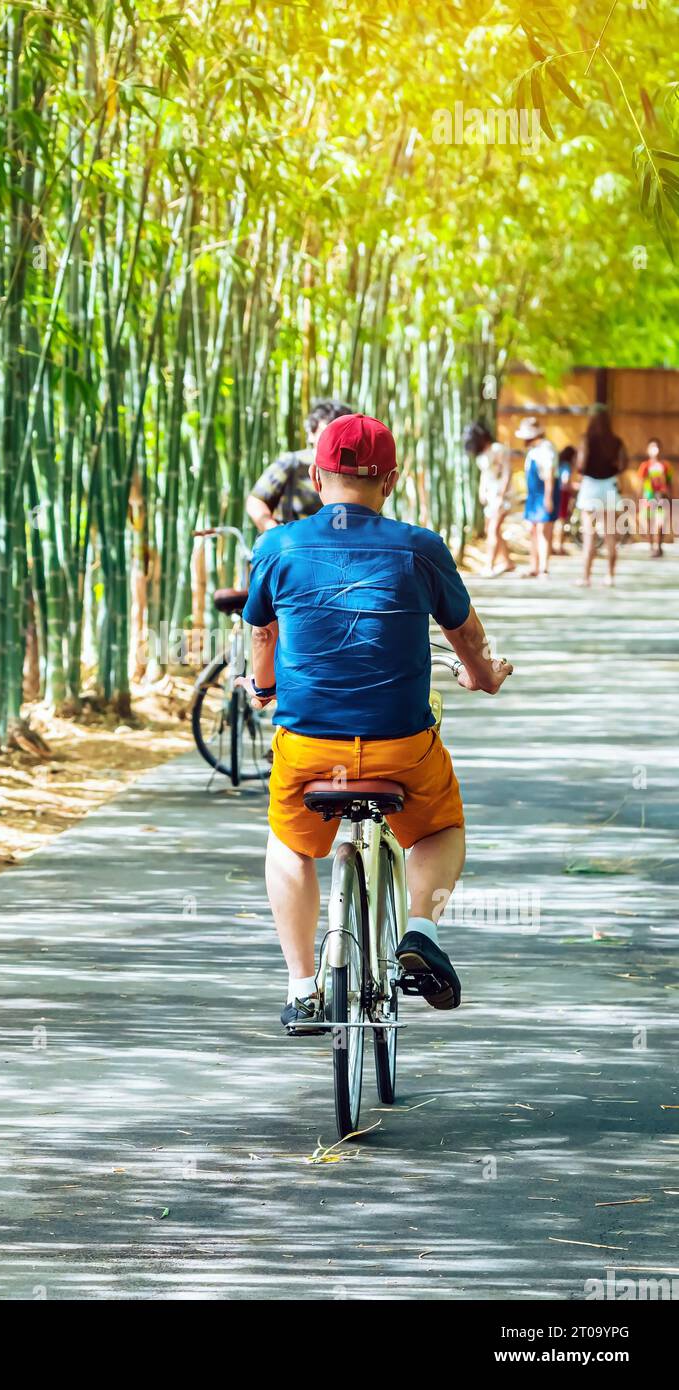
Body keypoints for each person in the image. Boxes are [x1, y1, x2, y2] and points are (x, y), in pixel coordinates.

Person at [238, 414, 512, 1032]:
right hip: (401, 749)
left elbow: (261, 631)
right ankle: (420, 930)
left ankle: (302, 985)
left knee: (287, 846)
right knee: (440, 826)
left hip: (308, 749)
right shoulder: (419, 547)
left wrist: (263, 687)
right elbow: (464, 633)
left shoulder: (277, 546)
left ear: (315, 474)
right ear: (390, 480)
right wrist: (484, 674)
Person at [246, 398, 354, 534]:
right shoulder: (293, 462)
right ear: (311, 434)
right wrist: (277, 535)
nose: (333, 439)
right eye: (327, 432)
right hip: (293, 548)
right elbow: (256, 501)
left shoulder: (355, 469)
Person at [576, 407, 626, 587]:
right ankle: (610, 576)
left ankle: (586, 577)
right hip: (609, 486)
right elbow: (623, 464)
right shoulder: (616, 441)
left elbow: (581, 463)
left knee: (589, 535)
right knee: (610, 534)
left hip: (590, 486)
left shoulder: (586, 439)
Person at [464, 421, 514, 575]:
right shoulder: (483, 454)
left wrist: (501, 496)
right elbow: (485, 474)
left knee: (493, 529)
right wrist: (482, 490)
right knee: (491, 529)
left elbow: (507, 473)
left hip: (501, 495)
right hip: (491, 496)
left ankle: (489, 565)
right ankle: (507, 562)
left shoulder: (498, 449)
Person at [515, 416, 560, 579]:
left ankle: (544, 568)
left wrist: (548, 498)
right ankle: (533, 566)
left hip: (544, 493)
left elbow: (549, 475)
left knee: (543, 531)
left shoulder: (546, 448)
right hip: (534, 495)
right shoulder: (533, 450)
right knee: (533, 530)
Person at [637, 437, 673, 559]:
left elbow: (669, 483)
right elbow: (640, 484)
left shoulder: (666, 466)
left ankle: (658, 545)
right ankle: (652, 545)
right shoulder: (645, 466)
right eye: (652, 447)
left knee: (660, 523)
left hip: (661, 498)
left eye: (656, 446)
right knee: (648, 524)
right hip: (648, 497)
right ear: (647, 450)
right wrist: (638, 500)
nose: (655, 449)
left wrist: (671, 497)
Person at [553, 445, 578, 555]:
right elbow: (565, 482)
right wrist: (574, 487)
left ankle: (555, 545)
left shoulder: (559, 465)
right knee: (561, 520)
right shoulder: (566, 466)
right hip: (563, 494)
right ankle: (558, 545)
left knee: (557, 520)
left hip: (556, 493)